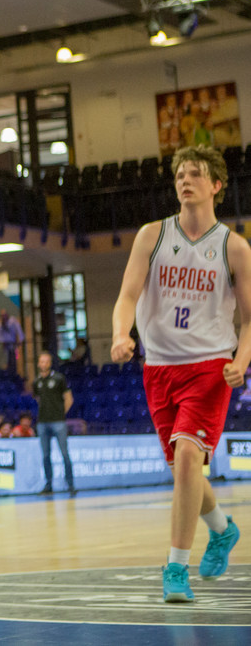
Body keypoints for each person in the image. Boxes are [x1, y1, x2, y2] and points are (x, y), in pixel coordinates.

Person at [110, 143, 249, 602]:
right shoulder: (152, 236)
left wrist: (241, 361)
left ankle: (175, 568)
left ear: (216, 185)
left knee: (189, 458)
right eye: (179, 176)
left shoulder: (235, 247)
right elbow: (127, 296)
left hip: (210, 367)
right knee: (184, 472)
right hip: (159, 368)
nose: (185, 181)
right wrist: (120, 334)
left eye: (194, 174)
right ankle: (223, 530)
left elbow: (249, 321)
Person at [32, 351, 75, 495]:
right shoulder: (36, 381)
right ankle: (48, 485)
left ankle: (70, 485)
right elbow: (37, 399)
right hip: (42, 422)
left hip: (58, 422)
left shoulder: (58, 378)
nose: (44, 364)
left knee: (64, 454)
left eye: (46, 361)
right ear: (38, 364)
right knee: (45, 455)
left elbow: (69, 399)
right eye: (41, 361)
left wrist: (61, 413)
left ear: (50, 363)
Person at [0, 309, 25, 374]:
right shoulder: (0, 324)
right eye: (2, 315)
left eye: (4, 315)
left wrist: (20, 340)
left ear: (7, 315)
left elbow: (19, 330)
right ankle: (7, 374)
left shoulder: (13, 321)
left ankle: (14, 373)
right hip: (5, 345)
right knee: (6, 361)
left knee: (14, 359)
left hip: (13, 344)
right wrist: (2, 341)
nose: (3, 317)